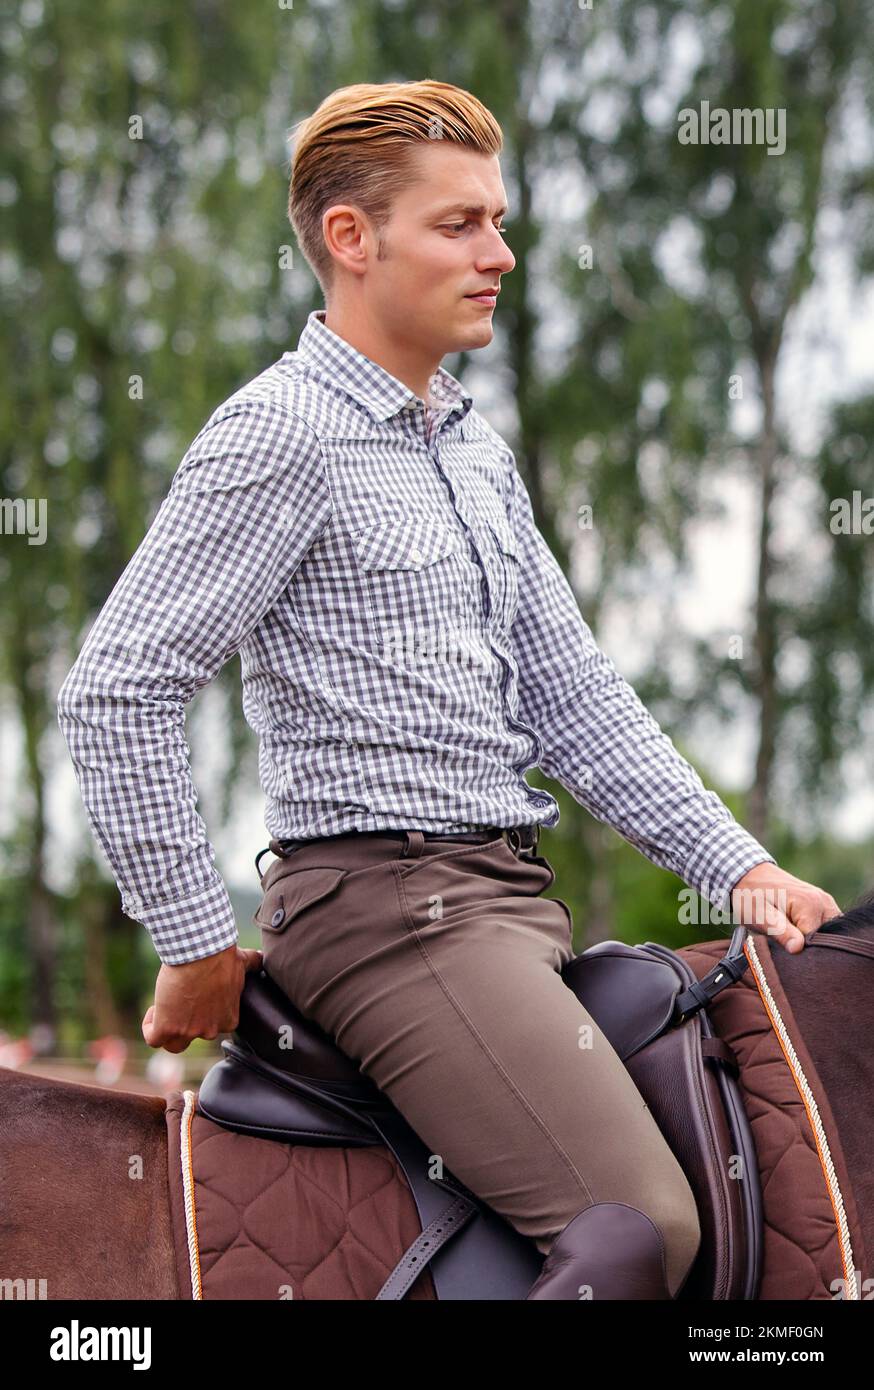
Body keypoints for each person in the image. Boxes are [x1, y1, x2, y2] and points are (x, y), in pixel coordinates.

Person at [57, 79, 841, 1300]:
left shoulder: (472, 445)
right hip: (387, 913)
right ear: (350, 239)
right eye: (461, 224)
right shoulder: (279, 434)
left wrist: (737, 864)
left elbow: (573, 696)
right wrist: (189, 933)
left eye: (502, 220)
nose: (502, 255)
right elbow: (119, 687)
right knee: (636, 1225)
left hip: (505, 903)